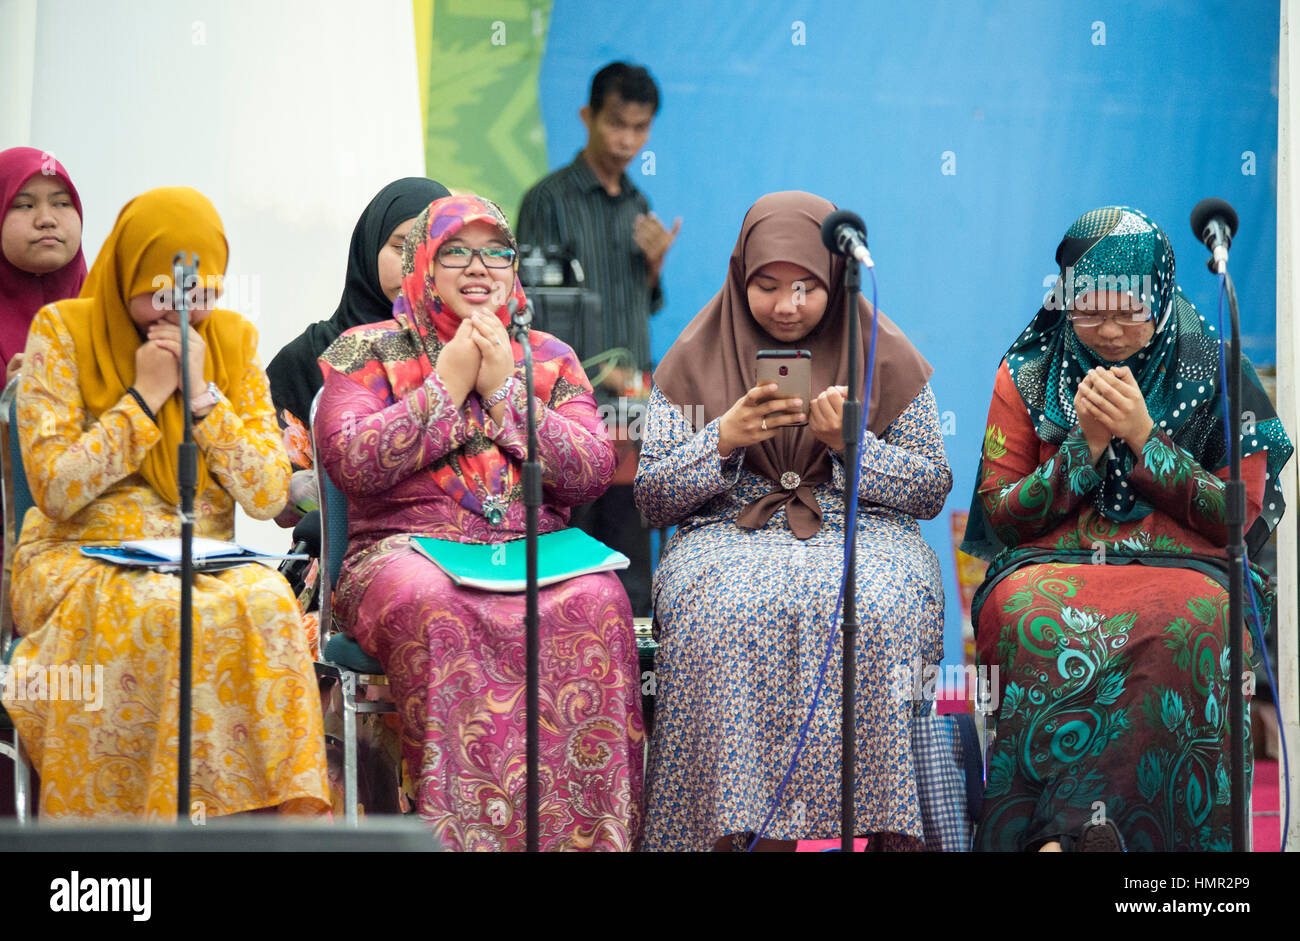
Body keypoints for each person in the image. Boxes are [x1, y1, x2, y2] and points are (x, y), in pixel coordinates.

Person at [314, 193, 644, 850]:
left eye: (496, 250)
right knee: (435, 602)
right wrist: (448, 383)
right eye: (456, 250)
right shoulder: (365, 351)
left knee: (601, 599)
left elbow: (590, 469)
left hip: (533, 547)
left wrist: (503, 394)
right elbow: (351, 460)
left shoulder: (549, 356)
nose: (478, 266)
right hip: (402, 552)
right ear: (423, 265)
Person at [961, 206, 1293, 852]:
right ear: (1064, 298)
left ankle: (1104, 839)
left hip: (1186, 565)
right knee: (1029, 614)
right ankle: (1064, 834)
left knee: (1195, 619)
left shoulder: (1214, 367)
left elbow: (1237, 515)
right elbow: (1001, 516)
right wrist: (1082, 451)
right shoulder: (1028, 373)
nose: (1109, 329)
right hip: (1052, 562)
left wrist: (1146, 441)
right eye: (1089, 309)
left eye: (1128, 310)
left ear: (1161, 294)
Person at [0, 186, 330, 818]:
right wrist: (143, 402)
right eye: (161, 295)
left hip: (200, 558)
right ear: (124, 271)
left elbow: (265, 493)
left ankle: (252, 826)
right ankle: (121, 841)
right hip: (76, 556)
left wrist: (204, 400)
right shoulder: (64, 334)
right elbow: (56, 489)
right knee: (153, 614)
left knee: (267, 604)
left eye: (198, 296)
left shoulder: (231, 341)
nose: (180, 316)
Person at [636, 191, 951, 851]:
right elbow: (652, 498)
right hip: (728, 532)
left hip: (864, 532)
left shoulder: (884, 352)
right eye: (767, 286)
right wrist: (721, 437)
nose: (787, 305)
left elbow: (930, 489)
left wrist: (852, 446)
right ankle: (734, 830)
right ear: (738, 276)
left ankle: (878, 828)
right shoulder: (693, 357)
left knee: (878, 602)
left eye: (806, 286)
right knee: (723, 608)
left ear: (835, 279)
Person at [517, 61, 679, 617]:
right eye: (616, 123)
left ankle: (631, 695)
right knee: (567, 564)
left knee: (631, 570)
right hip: (567, 409)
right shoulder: (548, 200)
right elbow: (535, 312)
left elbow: (644, 303)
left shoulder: (638, 205)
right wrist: (593, 372)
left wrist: (655, 267)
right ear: (587, 116)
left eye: (639, 128)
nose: (626, 140)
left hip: (630, 414)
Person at [266, 175, 451, 519]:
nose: (415, 267)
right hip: (344, 557)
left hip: (468, 552)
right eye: (401, 248)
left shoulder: (475, 352)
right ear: (370, 247)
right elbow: (281, 509)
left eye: (436, 252)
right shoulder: (309, 355)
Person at [1, 146, 87, 383]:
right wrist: (10, 402)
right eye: (24, 205)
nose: (47, 220)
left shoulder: (107, 313)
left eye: (61, 203)